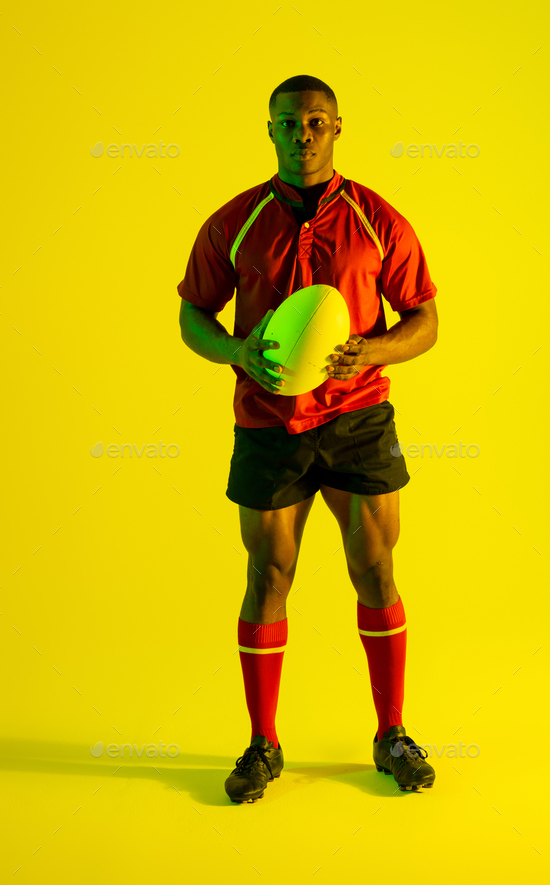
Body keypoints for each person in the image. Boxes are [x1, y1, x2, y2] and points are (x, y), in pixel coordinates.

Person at [177, 74, 439, 803]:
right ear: (270, 130)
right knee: (268, 576)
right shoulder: (235, 222)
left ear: (338, 128)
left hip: (359, 417)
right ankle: (263, 743)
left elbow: (425, 319)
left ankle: (392, 734)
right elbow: (192, 314)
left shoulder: (377, 219)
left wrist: (374, 351)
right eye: (290, 122)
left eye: (317, 121)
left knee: (376, 570)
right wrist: (236, 351)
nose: (304, 134)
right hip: (268, 424)